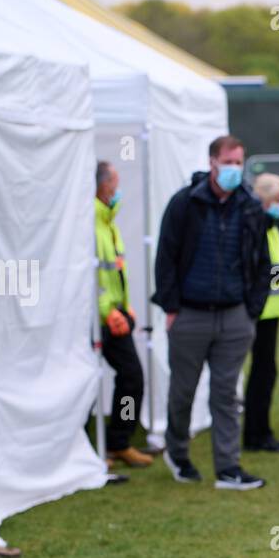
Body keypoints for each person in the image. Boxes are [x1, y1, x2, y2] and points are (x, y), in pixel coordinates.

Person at [153, 134, 271, 489]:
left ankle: (228, 467)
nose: (235, 168)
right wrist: (171, 307)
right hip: (191, 312)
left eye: (240, 162)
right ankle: (177, 452)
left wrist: (252, 309)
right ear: (212, 163)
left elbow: (262, 261)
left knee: (226, 394)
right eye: (229, 161)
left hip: (235, 314)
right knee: (183, 391)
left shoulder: (249, 205)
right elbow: (166, 256)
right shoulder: (185, 203)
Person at [93, 160, 151, 469]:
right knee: (86, 382)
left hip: (115, 315)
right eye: (115, 182)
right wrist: (105, 311)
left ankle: (119, 441)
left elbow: (113, 272)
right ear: (103, 186)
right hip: (95, 320)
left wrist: (124, 306)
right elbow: (86, 275)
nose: (118, 189)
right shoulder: (89, 220)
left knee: (131, 378)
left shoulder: (108, 222)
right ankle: (89, 444)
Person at [243, 173, 279, 454]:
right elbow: (261, 270)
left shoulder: (273, 225)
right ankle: (256, 434)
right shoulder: (258, 226)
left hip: (270, 310)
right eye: (278, 200)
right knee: (262, 373)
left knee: (266, 372)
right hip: (260, 310)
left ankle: (260, 431)